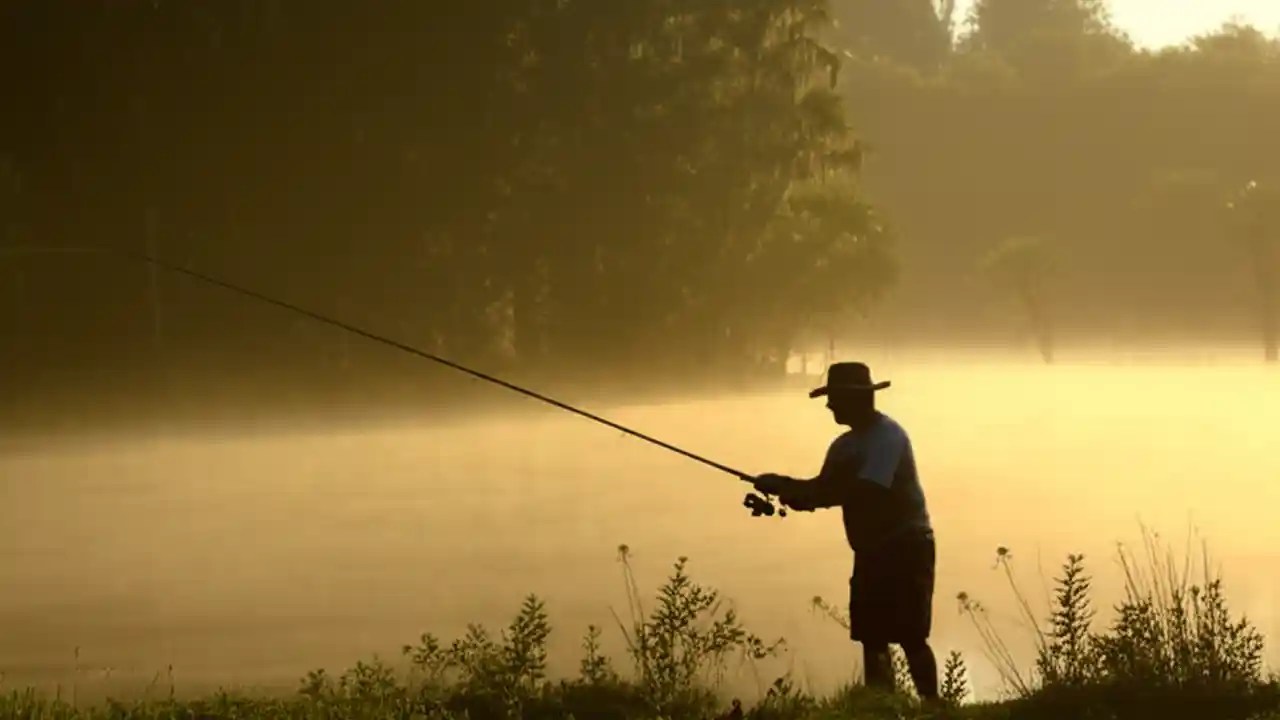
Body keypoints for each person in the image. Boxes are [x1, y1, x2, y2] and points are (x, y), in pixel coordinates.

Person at [752, 361, 938, 700]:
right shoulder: (842, 446)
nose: (829, 405)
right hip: (870, 550)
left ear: (855, 398)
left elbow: (867, 491)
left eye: (834, 398)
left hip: (906, 545)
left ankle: (934, 707)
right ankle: (882, 707)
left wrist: (797, 489)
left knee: (911, 637)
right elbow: (822, 491)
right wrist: (785, 489)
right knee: (872, 637)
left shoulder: (888, 437)